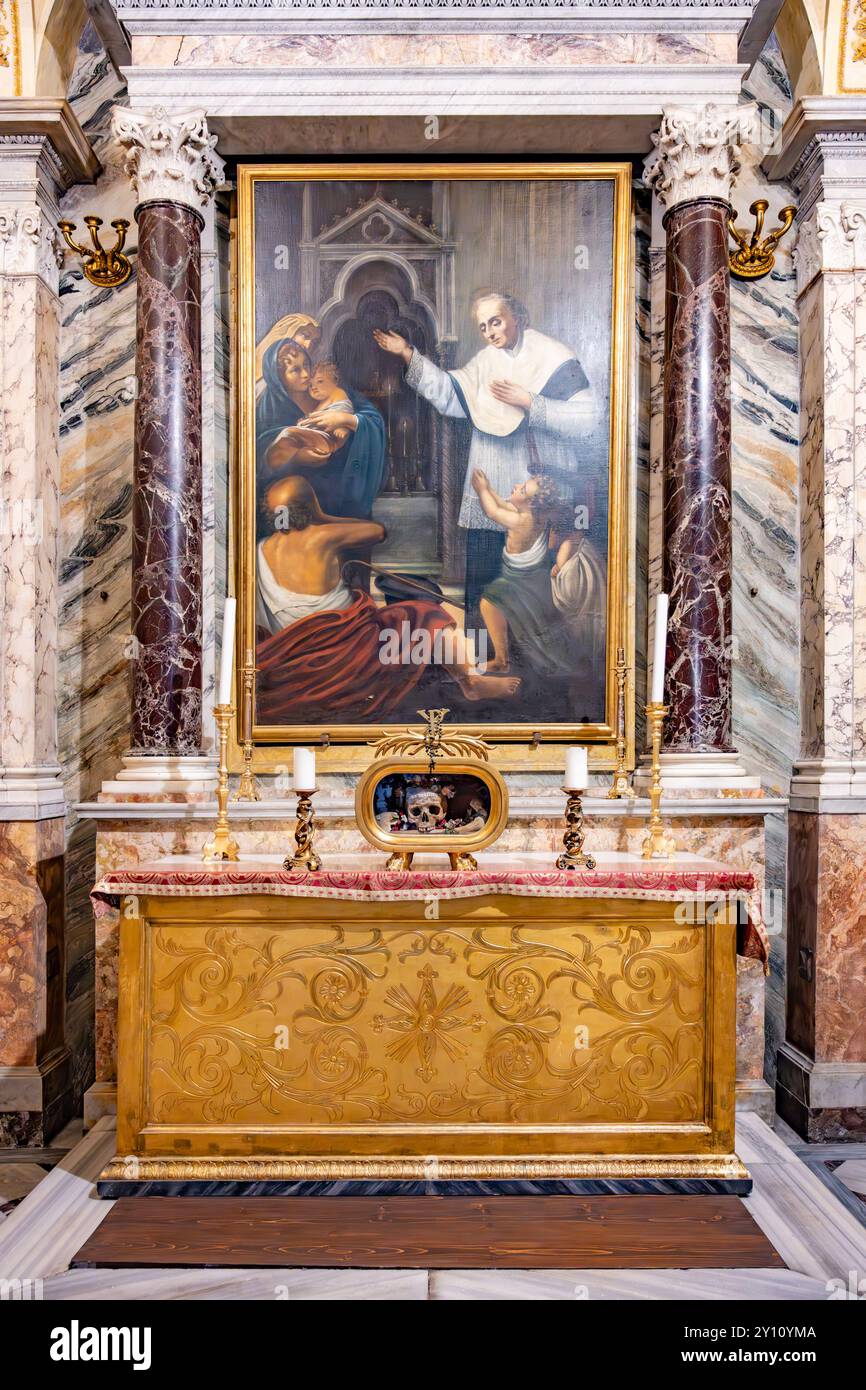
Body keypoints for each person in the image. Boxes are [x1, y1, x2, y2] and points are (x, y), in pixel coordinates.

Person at [373, 290, 600, 619]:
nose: (491, 332)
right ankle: (485, 655)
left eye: (496, 321)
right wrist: (409, 354)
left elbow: (589, 418)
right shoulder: (485, 362)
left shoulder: (553, 356)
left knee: (534, 599)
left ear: (518, 318)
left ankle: (532, 662)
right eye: (483, 327)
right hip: (491, 484)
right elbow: (450, 395)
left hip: (537, 492)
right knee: (487, 587)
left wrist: (530, 402)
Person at [255, 477, 519, 720]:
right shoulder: (321, 535)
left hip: (294, 649)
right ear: (308, 507)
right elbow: (377, 531)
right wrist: (322, 516)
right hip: (345, 642)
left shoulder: (261, 548)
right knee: (425, 615)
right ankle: (470, 682)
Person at [255, 333, 386, 529]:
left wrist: (347, 419)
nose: (306, 375)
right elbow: (258, 459)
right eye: (295, 370)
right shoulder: (269, 406)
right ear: (278, 377)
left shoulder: (327, 385)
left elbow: (373, 419)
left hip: (343, 487)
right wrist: (296, 459)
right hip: (299, 501)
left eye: (306, 365)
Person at [470, 468, 573, 676]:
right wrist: (490, 488)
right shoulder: (533, 515)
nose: (517, 487)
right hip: (531, 572)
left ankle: (501, 660)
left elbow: (493, 512)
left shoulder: (522, 521)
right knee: (534, 617)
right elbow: (503, 504)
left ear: (531, 504)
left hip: (519, 577)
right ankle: (505, 658)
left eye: (522, 490)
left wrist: (482, 491)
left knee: (489, 603)